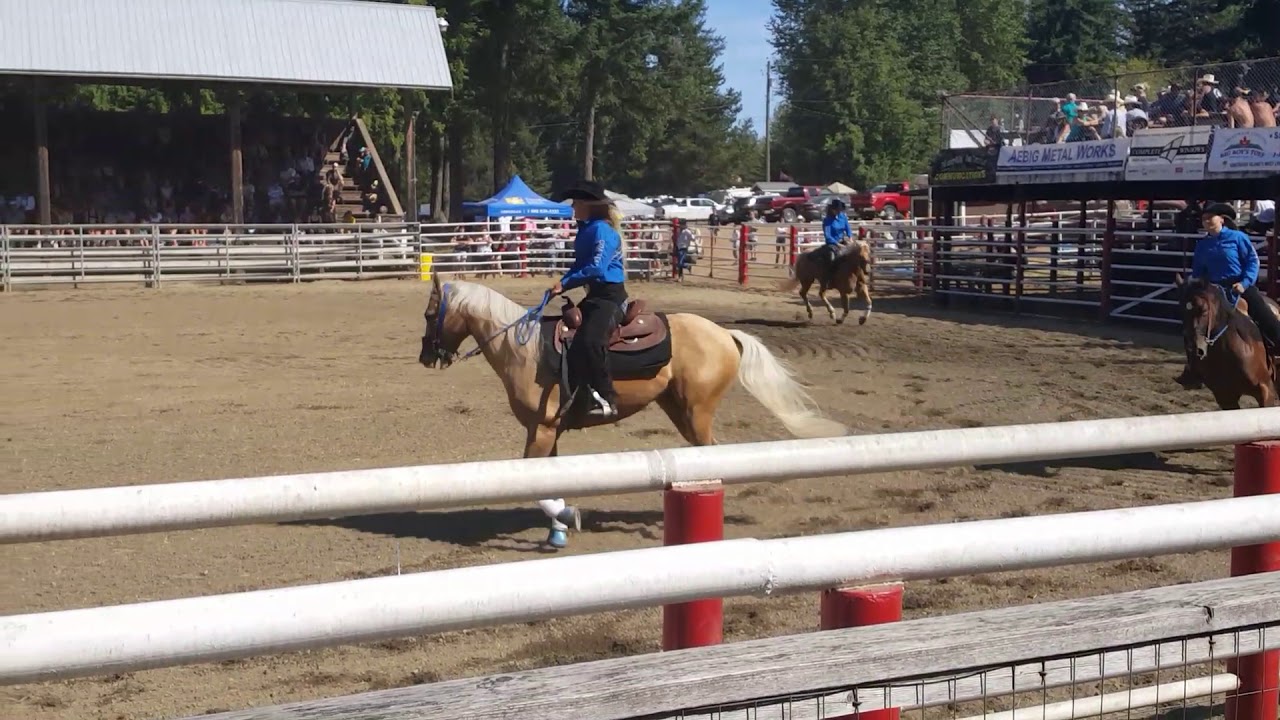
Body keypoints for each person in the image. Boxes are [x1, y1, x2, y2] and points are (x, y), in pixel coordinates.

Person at [1176, 202, 1280, 388]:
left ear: (1221, 220)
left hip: (1239, 285)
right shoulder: (1203, 245)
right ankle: (1193, 368)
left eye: (1210, 218)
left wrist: (1245, 282)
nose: (1206, 221)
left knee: (1265, 315)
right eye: (1204, 219)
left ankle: (1276, 347)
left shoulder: (1238, 238)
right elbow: (1198, 271)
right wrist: (1194, 286)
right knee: (1194, 326)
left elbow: (1252, 261)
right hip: (1214, 290)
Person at [549, 180, 628, 418]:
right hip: (595, 296)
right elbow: (580, 265)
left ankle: (606, 397)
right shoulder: (586, 229)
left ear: (587, 205)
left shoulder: (602, 230)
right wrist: (563, 282)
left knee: (592, 340)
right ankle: (581, 394)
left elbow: (595, 267)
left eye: (576, 202)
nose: (572, 206)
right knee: (571, 338)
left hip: (610, 297)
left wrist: (564, 283)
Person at [819, 198, 852, 285]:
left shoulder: (843, 217)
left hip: (842, 241)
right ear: (832, 209)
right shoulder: (827, 220)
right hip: (832, 243)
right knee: (832, 257)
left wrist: (850, 237)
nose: (838, 212)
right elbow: (828, 235)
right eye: (837, 210)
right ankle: (829, 278)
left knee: (855, 254)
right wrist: (837, 244)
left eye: (839, 210)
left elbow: (847, 228)